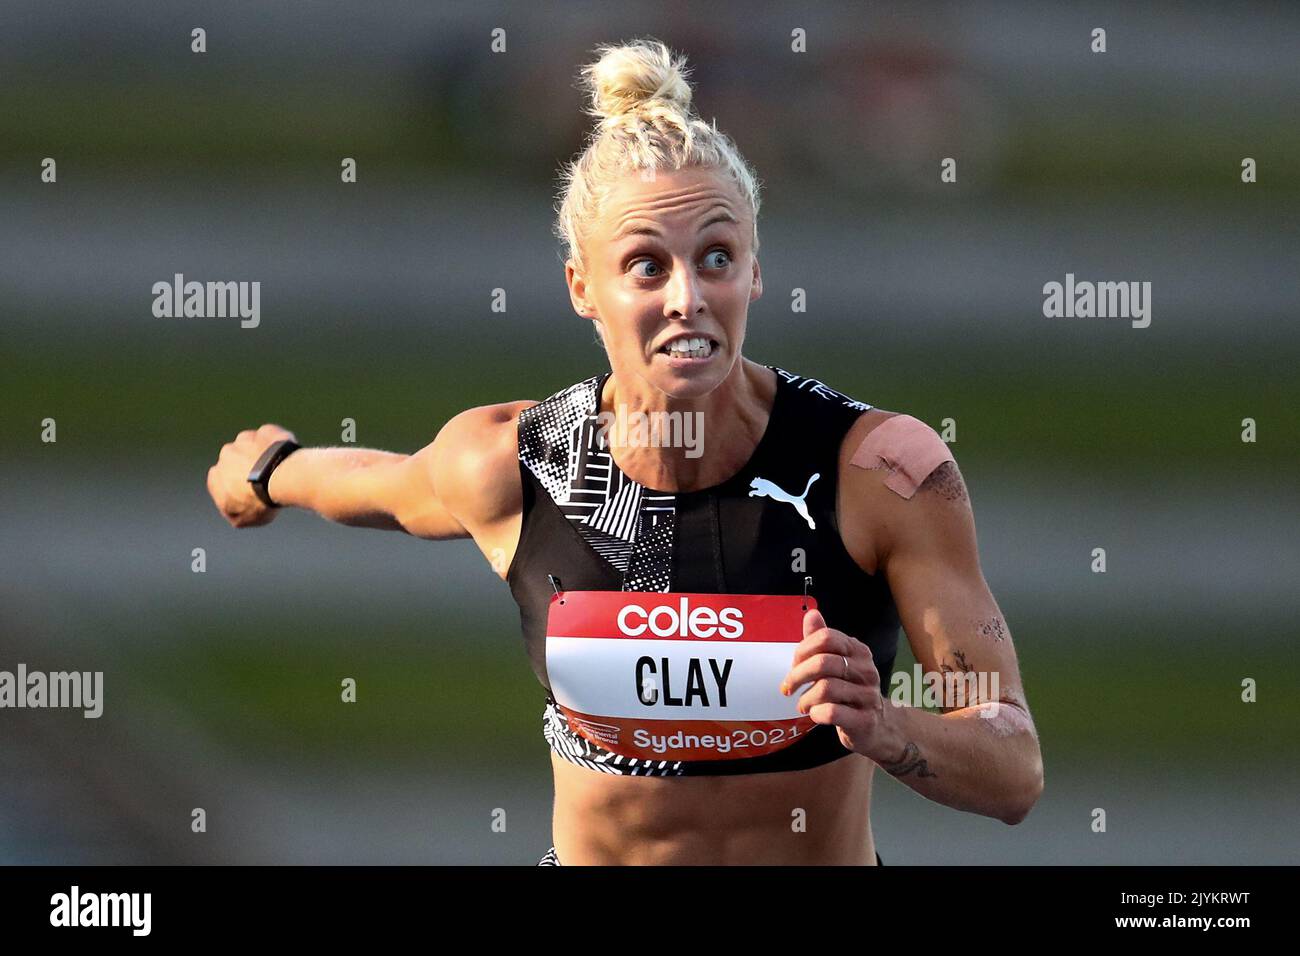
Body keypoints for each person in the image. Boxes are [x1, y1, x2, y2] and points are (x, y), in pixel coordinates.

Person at [206, 38, 1043, 865]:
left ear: (754, 272)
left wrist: (887, 726)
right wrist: (270, 471)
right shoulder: (517, 464)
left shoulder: (881, 473)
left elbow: (1012, 769)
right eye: (646, 266)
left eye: (717, 258)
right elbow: (380, 483)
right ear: (583, 289)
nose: (687, 299)